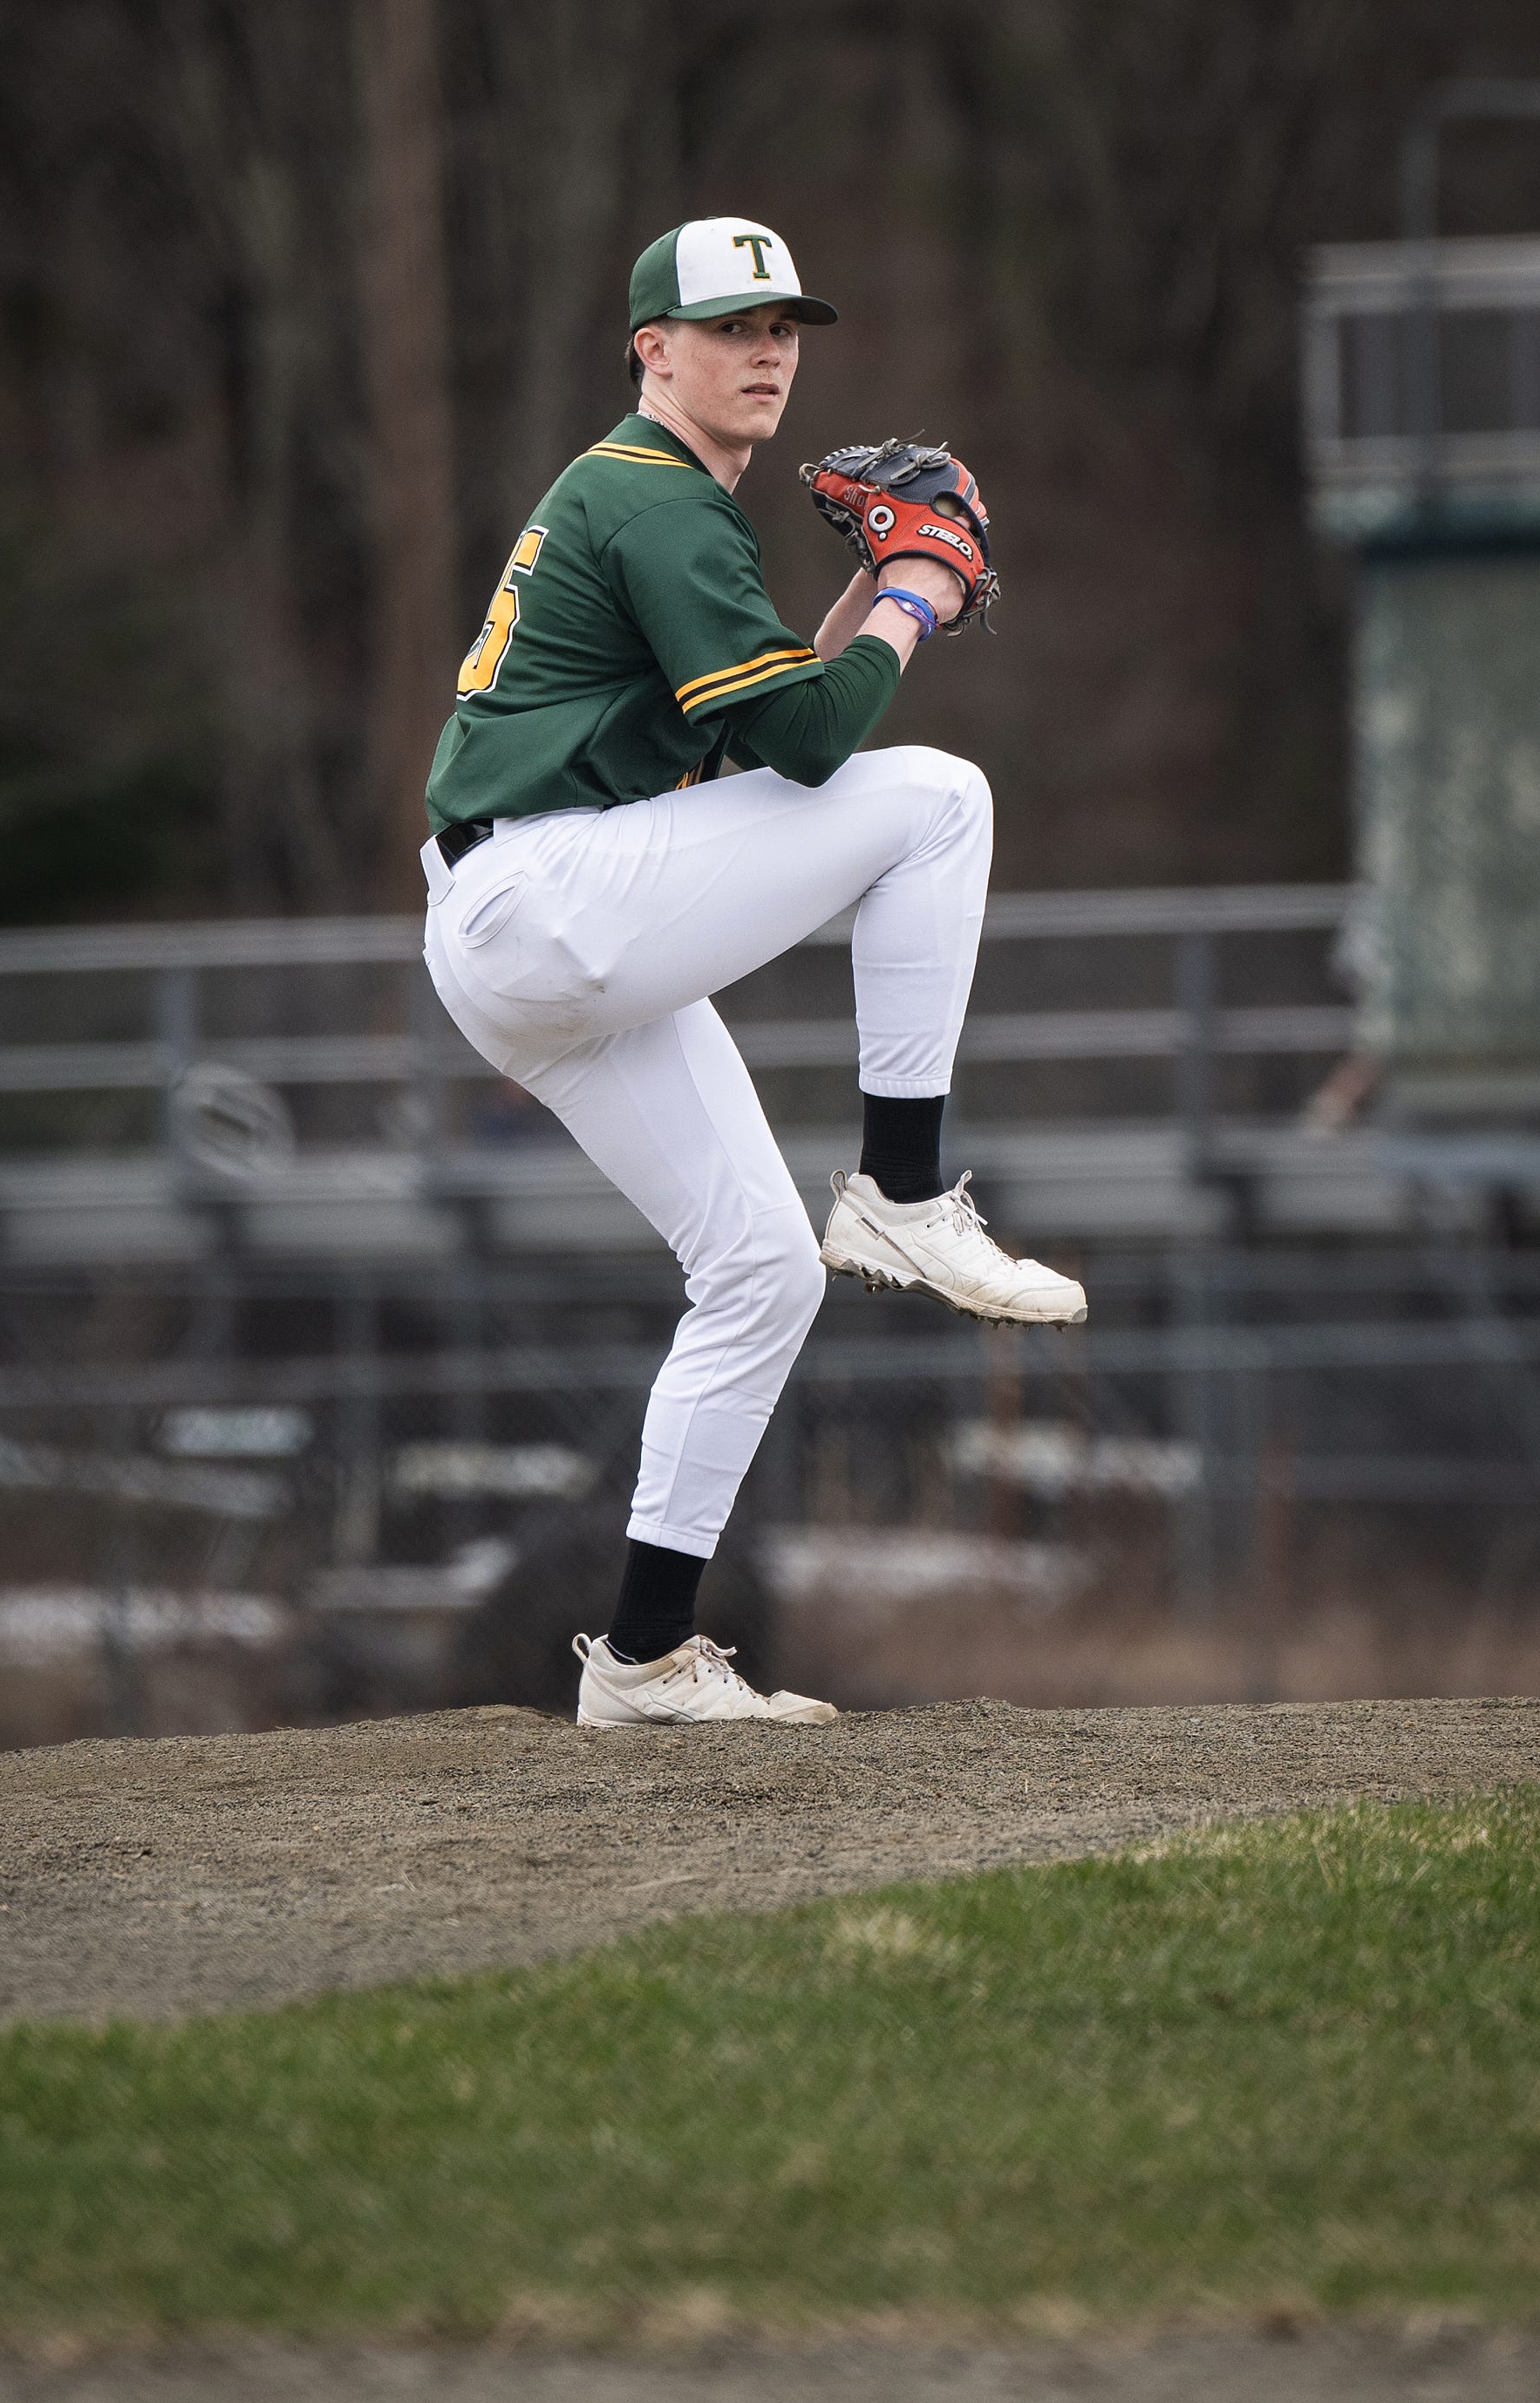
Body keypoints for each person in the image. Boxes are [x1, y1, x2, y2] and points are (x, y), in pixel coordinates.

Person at [422, 217, 1087, 1729]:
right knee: (946, 800)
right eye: (731, 328)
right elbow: (808, 751)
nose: (769, 351)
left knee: (762, 1274)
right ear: (652, 350)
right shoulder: (652, 499)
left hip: (534, 926)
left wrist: (870, 613)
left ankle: (646, 1660)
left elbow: (773, 736)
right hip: (548, 898)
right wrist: (917, 593)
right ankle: (906, 1192)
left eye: (785, 326)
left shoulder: (651, 504)